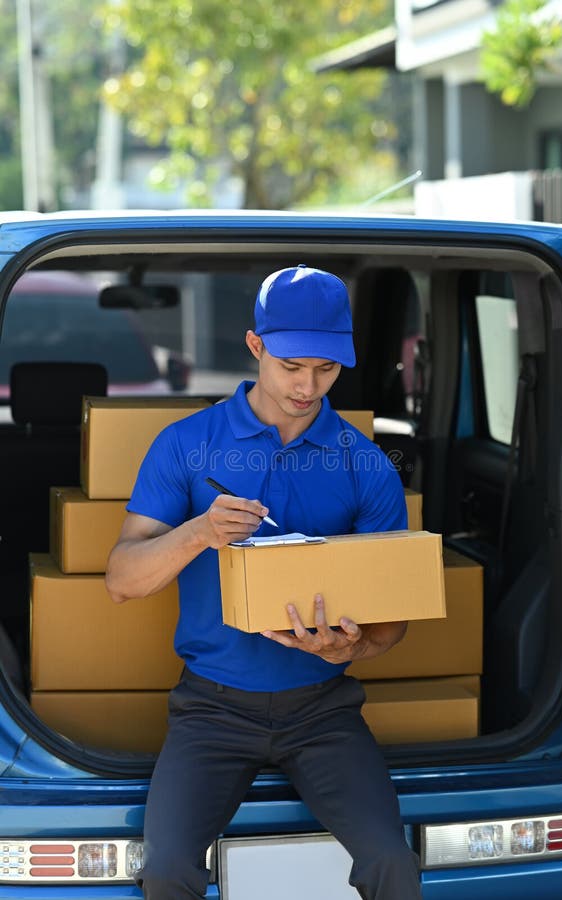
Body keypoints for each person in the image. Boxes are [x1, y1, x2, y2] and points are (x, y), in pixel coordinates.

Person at [105, 264, 423, 900]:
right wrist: (198, 532)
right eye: (292, 366)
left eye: (327, 370)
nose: (308, 387)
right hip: (211, 710)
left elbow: (395, 617)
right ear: (256, 346)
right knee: (166, 871)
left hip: (323, 711)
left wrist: (352, 648)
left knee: (394, 862)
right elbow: (122, 579)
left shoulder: (365, 464)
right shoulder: (188, 445)